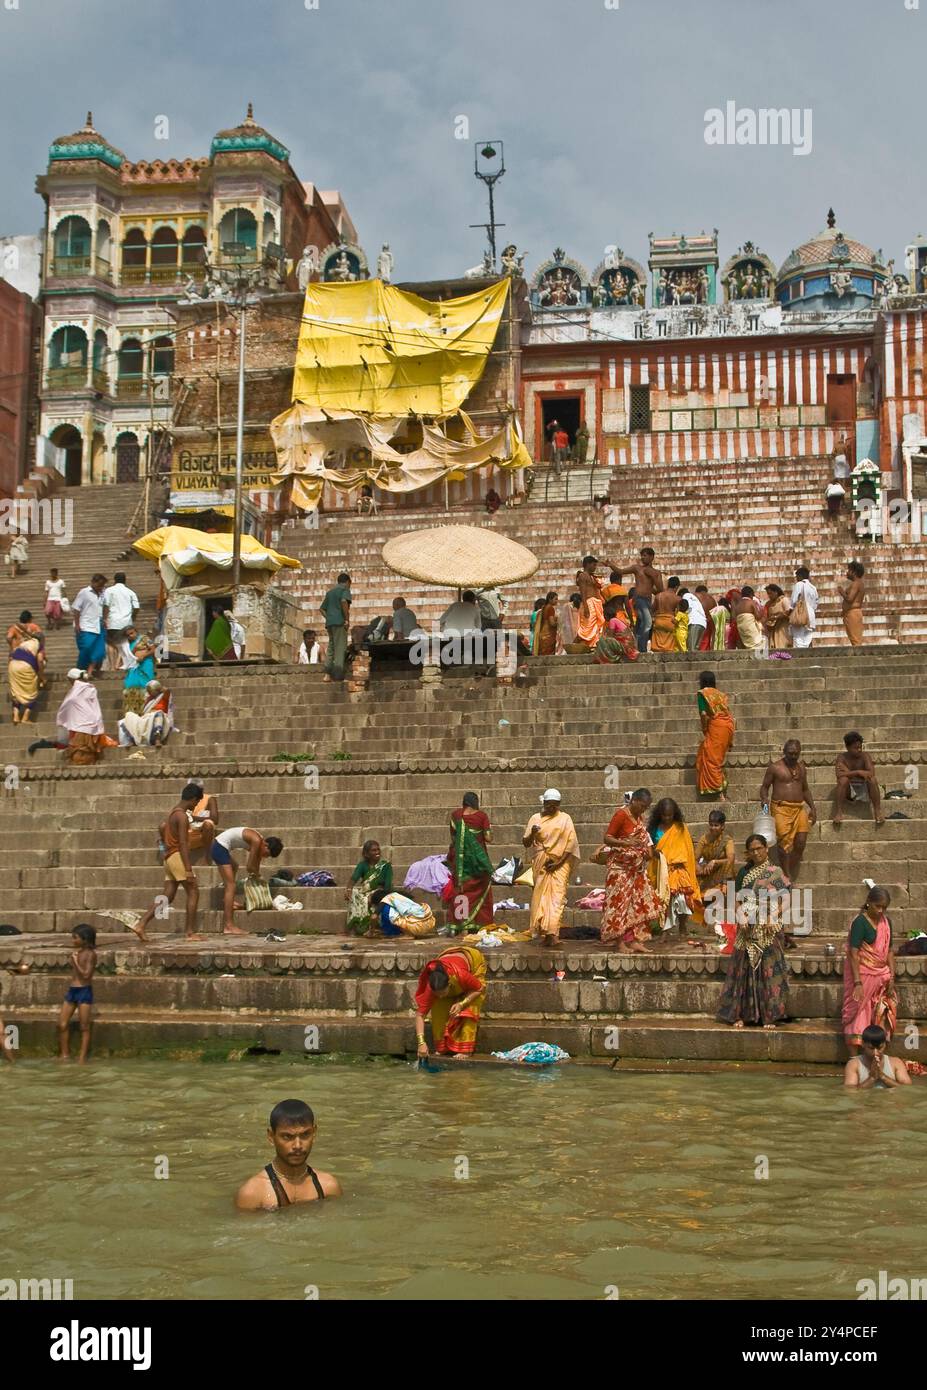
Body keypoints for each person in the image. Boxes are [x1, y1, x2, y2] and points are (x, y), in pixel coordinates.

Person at [235, 1100, 342, 1210]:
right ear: (271, 1136)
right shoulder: (253, 1194)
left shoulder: (328, 1187)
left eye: (305, 1135)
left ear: (314, 1133)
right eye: (287, 1136)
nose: (297, 1145)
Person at [134, 785, 209, 941]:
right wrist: (188, 868)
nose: (195, 806)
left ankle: (141, 924)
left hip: (169, 858)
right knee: (193, 890)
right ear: (193, 799)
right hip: (176, 857)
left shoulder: (172, 813)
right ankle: (190, 933)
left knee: (168, 895)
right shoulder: (181, 816)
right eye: (196, 802)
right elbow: (182, 843)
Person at [600, 788, 663, 952]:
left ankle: (633, 940)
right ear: (633, 800)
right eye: (642, 806)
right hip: (620, 869)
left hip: (635, 870)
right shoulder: (621, 815)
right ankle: (619, 943)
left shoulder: (639, 817)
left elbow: (643, 840)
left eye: (646, 807)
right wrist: (625, 843)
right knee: (619, 906)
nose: (644, 810)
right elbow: (607, 838)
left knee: (634, 906)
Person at [716, 889, 790, 1029]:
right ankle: (742, 1015)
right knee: (744, 970)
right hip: (747, 929)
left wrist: (774, 915)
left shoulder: (776, 873)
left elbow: (787, 900)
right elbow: (734, 897)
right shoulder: (744, 872)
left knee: (768, 969)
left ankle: (769, 1016)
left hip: (768, 928)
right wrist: (740, 915)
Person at [842, 886, 897, 1052]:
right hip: (863, 974)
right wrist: (858, 983)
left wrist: (892, 977)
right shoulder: (860, 923)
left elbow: (889, 951)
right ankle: (854, 1059)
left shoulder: (887, 923)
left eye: (884, 907)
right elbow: (853, 953)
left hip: (882, 974)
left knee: (884, 1009)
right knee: (858, 1012)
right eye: (877, 906)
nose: (881, 911)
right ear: (868, 903)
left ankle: (877, 1055)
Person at [522, 790, 580, 947]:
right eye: (549, 805)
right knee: (541, 899)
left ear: (559, 805)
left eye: (555, 805)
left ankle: (553, 934)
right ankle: (546, 934)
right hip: (541, 863)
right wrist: (532, 834)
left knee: (557, 899)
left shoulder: (565, 818)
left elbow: (571, 843)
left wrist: (559, 863)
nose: (552, 808)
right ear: (543, 804)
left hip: (561, 864)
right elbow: (526, 842)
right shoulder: (535, 819)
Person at [28, 668, 118, 765]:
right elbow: (95, 709)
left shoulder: (75, 692)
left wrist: (62, 720)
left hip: (81, 728)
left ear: (72, 679)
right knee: (70, 742)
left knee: (72, 746)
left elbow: (65, 708)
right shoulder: (90, 688)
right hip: (91, 725)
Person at [414, 945, 487, 1059]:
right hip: (446, 960)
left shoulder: (461, 975)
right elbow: (420, 1015)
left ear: (449, 984)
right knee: (437, 1007)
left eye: (442, 993)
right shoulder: (431, 986)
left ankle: (466, 1050)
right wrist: (421, 1043)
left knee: (470, 1007)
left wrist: (462, 1003)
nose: (441, 996)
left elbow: (479, 988)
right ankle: (443, 1047)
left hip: (473, 961)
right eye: (437, 994)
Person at [760, 740, 817, 882]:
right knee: (784, 843)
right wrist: (764, 799)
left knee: (801, 842)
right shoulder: (775, 768)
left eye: (796, 754)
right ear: (784, 752)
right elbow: (764, 787)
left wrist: (813, 807)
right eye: (790, 753)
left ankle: (786, 870)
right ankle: (786, 874)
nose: (793, 756)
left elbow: (805, 789)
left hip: (799, 808)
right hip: (780, 808)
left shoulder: (802, 768)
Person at [212, 827, 284, 935]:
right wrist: (258, 876)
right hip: (219, 847)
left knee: (234, 866)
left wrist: (258, 879)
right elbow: (250, 867)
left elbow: (256, 866)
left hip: (221, 846)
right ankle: (229, 926)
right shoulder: (256, 840)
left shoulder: (260, 843)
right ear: (266, 845)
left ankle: (229, 902)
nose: (265, 856)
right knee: (230, 886)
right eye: (267, 854)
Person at [647, 798, 701, 935]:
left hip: (678, 870)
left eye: (670, 815)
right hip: (659, 869)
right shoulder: (653, 828)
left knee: (682, 899)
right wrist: (656, 853)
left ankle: (683, 926)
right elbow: (649, 848)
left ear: (674, 813)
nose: (667, 818)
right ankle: (665, 930)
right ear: (659, 814)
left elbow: (687, 849)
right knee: (664, 899)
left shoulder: (680, 827)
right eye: (664, 815)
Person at [444, 792, 494, 930]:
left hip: (460, 861)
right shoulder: (482, 816)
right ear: (476, 802)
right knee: (481, 888)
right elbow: (488, 838)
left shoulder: (455, 816)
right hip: (477, 862)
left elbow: (454, 837)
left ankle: (460, 925)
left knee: (461, 890)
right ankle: (476, 923)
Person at [57, 924, 97, 1063]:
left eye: (75, 938)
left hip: (84, 991)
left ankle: (81, 1058)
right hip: (72, 990)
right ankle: (65, 1054)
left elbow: (86, 975)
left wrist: (75, 962)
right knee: (62, 1024)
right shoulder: (78, 953)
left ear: (84, 939)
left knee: (84, 1027)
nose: (73, 940)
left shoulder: (91, 955)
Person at [695, 670, 736, 798]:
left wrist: (704, 727)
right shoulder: (720, 694)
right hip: (728, 726)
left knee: (712, 760)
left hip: (717, 727)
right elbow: (728, 712)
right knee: (711, 755)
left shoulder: (703, 693)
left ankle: (720, 794)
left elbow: (703, 714)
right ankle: (718, 791)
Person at [617, 547, 664, 653]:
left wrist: (655, 576)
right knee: (647, 623)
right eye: (642, 555)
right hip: (639, 599)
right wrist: (610, 565)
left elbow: (660, 590)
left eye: (645, 555)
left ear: (652, 557)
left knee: (640, 624)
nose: (643, 558)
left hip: (647, 600)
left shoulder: (655, 572)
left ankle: (634, 647)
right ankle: (642, 649)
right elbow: (620, 571)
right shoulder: (637, 568)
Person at [834, 731, 884, 827]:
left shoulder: (865, 756)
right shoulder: (842, 757)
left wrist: (847, 771)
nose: (859, 749)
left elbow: (871, 773)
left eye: (860, 747)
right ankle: (839, 812)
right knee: (843, 780)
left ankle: (877, 811)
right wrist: (858, 772)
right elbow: (839, 775)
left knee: (872, 780)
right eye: (856, 748)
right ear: (847, 747)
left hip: (864, 788)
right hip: (849, 790)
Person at [345, 839, 393, 934]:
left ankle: (373, 927)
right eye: (373, 850)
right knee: (354, 893)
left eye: (378, 849)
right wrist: (348, 889)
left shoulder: (386, 866)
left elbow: (387, 887)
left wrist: (374, 895)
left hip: (381, 892)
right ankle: (358, 926)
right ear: (367, 854)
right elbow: (353, 879)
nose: (377, 852)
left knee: (371, 898)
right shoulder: (363, 865)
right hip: (365, 892)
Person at [694, 809, 736, 914]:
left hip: (722, 874)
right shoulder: (704, 838)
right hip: (707, 873)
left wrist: (714, 862)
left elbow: (730, 858)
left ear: (722, 826)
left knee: (729, 864)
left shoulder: (727, 840)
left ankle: (725, 889)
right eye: (711, 825)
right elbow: (695, 858)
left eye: (716, 825)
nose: (713, 828)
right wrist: (698, 868)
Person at [843, 1024, 911, 1088]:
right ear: (863, 1044)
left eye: (879, 1048)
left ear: (885, 1045)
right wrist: (872, 1078)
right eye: (871, 1048)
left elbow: (907, 1088)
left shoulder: (896, 1063)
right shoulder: (853, 1065)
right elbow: (850, 1092)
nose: (875, 1053)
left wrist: (883, 1076)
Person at [7, 612, 44, 725]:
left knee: (16, 691)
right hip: (26, 666)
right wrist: (41, 676)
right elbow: (40, 660)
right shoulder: (38, 643)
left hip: (13, 663)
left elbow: (8, 637)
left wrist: (12, 645)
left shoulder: (23, 642)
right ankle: (25, 718)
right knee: (32, 692)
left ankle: (16, 716)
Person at [118, 679, 174, 748]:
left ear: (156, 690)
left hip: (159, 718)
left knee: (159, 713)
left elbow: (167, 690)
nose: (149, 693)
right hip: (146, 719)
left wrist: (159, 688)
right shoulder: (148, 699)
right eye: (148, 691)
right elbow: (143, 713)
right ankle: (131, 740)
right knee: (128, 715)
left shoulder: (163, 696)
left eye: (151, 690)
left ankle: (157, 739)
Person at [72, 573, 108, 677]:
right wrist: (77, 624)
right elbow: (76, 609)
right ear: (93, 582)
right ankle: (80, 670)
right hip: (86, 625)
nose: (101, 587)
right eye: (99, 585)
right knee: (86, 648)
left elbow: (106, 606)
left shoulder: (103, 594)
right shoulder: (84, 592)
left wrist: (105, 619)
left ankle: (90, 671)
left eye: (102, 585)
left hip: (99, 625)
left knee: (99, 652)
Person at [102, 572, 140, 671]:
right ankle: (119, 665)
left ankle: (112, 666)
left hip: (113, 622)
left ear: (114, 580)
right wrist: (133, 616)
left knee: (111, 644)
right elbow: (136, 607)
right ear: (125, 580)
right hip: (126, 623)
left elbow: (106, 605)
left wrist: (105, 618)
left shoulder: (109, 591)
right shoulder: (130, 592)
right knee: (123, 644)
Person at [320, 571, 351, 683]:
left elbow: (322, 609)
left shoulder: (330, 592)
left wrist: (329, 617)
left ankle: (327, 675)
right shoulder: (344, 590)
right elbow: (344, 602)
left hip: (330, 624)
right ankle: (338, 676)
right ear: (347, 582)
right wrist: (346, 620)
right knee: (340, 648)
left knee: (331, 648)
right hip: (340, 623)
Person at [594, 595, 639, 663]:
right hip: (629, 646)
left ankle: (610, 659)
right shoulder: (616, 620)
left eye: (604, 615)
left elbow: (610, 636)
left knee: (602, 641)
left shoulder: (613, 620)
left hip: (626, 647)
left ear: (606, 615)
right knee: (603, 641)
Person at [122, 628, 157, 714]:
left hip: (146, 665)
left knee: (147, 686)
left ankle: (147, 709)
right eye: (128, 635)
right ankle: (134, 710)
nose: (130, 636)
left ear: (136, 632)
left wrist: (144, 656)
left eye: (132, 633)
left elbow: (153, 649)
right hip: (134, 667)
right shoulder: (127, 643)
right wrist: (135, 649)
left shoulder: (145, 638)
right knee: (130, 686)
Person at [575, 556, 606, 648]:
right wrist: (586, 608)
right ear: (587, 564)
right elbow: (583, 592)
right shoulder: (582, 575)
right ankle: (574, 645)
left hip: (596, 604)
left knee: (595, 628)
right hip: (588, 603)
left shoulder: (593, 577)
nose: (595, 567)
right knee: (587, 628)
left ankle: (591, 647)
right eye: (593, 564)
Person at [789, 566, 818, 649]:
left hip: (800, 615)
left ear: (800, 576)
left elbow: (794, 601)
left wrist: (790, 613)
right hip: (811, 615)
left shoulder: (799, 584)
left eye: (797, 576)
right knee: (807, 639)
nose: (796, 578)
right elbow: (816, 603)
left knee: (798, 640)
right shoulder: (813, 587)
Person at [839, 561, 865, 647]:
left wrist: (842, 592)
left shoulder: (856, 584)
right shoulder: (858, 583)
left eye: (849, 570)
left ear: (854, 572)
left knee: (856, 641)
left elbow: (850, 599)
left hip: (853, 614)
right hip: (851, 614)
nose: (847, 573)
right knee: (854, 640)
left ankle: (859, 659)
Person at [651, 578, 679, 652]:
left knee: (657, 648)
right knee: (669, 649)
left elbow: (652, 609)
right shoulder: (677, 598)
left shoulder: (658, 596)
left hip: (658, 622)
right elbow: (679, 614)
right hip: (670, 622)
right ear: (676, 587)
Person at [733, 586, 765, 652]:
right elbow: (758, 617)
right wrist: (762, 612)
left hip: (742, 630)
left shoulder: (737, 605)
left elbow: (735, 618)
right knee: (757, 645)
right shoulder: (751, 602)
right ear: (750, 594)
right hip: (750, 628)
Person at [679, 586, 707, 651]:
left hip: (694, 622)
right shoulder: (695, 598)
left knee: (691, 649)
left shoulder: (686, 595)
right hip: (702, 624)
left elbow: (687, 608)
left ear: (681, 594)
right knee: (696, 648)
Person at [532, 591, 559, 656]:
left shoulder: (544, 607)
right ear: (550, 599)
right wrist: (559, 623)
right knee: (548, 656)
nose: (557, 601)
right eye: (555, 599)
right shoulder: (550, 608)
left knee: (542, 655)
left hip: (542, 634)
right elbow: (552, 623)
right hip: (548, 635)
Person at [763, 584, 790, 650]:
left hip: (783, 627)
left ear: (776, 592)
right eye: (768, 594)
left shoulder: (784, 600)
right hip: (772, 629)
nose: (769, 596)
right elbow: (766, 616)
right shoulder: (768, 603)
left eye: (771, 593)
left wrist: (777, 616)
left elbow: (788, 613)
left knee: (783, 646)